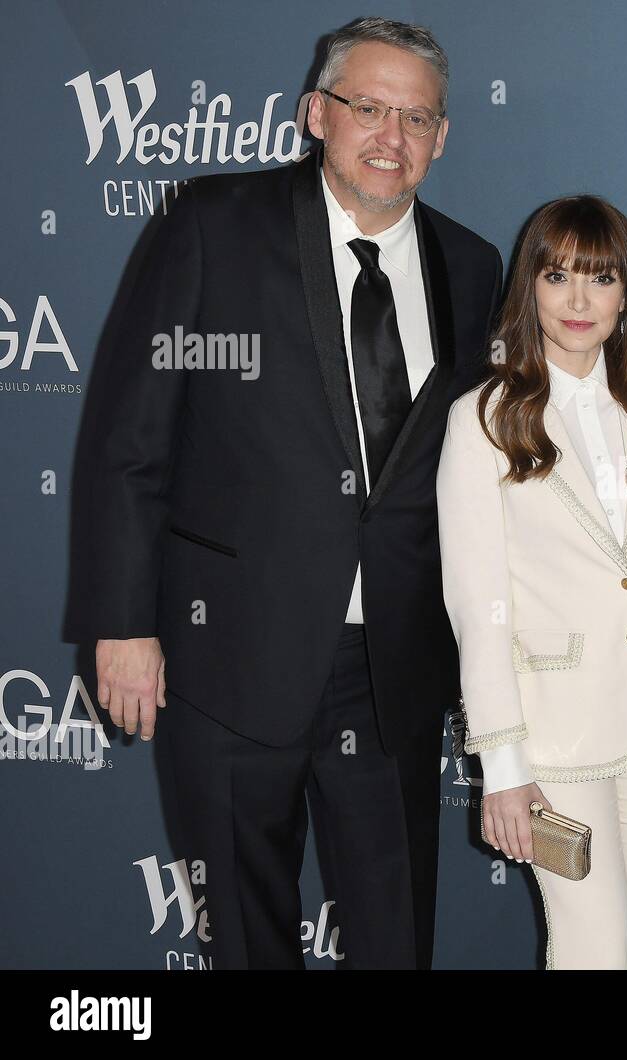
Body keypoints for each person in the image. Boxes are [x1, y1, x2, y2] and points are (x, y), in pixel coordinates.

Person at [64, 17, 502, 968]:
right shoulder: (212, 225)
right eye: (368, 108)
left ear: (443, 138)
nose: (391, 136)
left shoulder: (472, 269)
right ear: (317, 114)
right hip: (225, 658)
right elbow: (127, 440)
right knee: (249, 944)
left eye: (416, 117)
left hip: (391, 676)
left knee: (396, 941)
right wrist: (122, 623)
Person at [437, 195, 627, 969]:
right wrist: (504, 770)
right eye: (558, 276)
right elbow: (476, 608)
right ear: (531, 288)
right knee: (591, 945)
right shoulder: (482, 417)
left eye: (601, 277)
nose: (579, 301)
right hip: (554, 738)